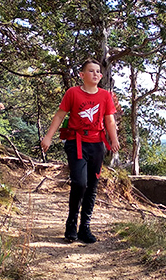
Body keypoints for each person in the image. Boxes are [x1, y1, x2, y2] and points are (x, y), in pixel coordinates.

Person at [40, 59, 120, 243]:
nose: (95, 74)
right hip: (76, 142)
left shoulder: (105, 96)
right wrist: (48, 137)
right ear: (82, 75)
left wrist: (113, 140)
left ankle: (85, 227)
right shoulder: (73, 93)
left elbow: (109, 120)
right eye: (91, 71)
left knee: (92, 185)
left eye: (98, 71)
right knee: (80, 182)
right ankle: (71, 223)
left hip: (97, 144)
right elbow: (60, 115)